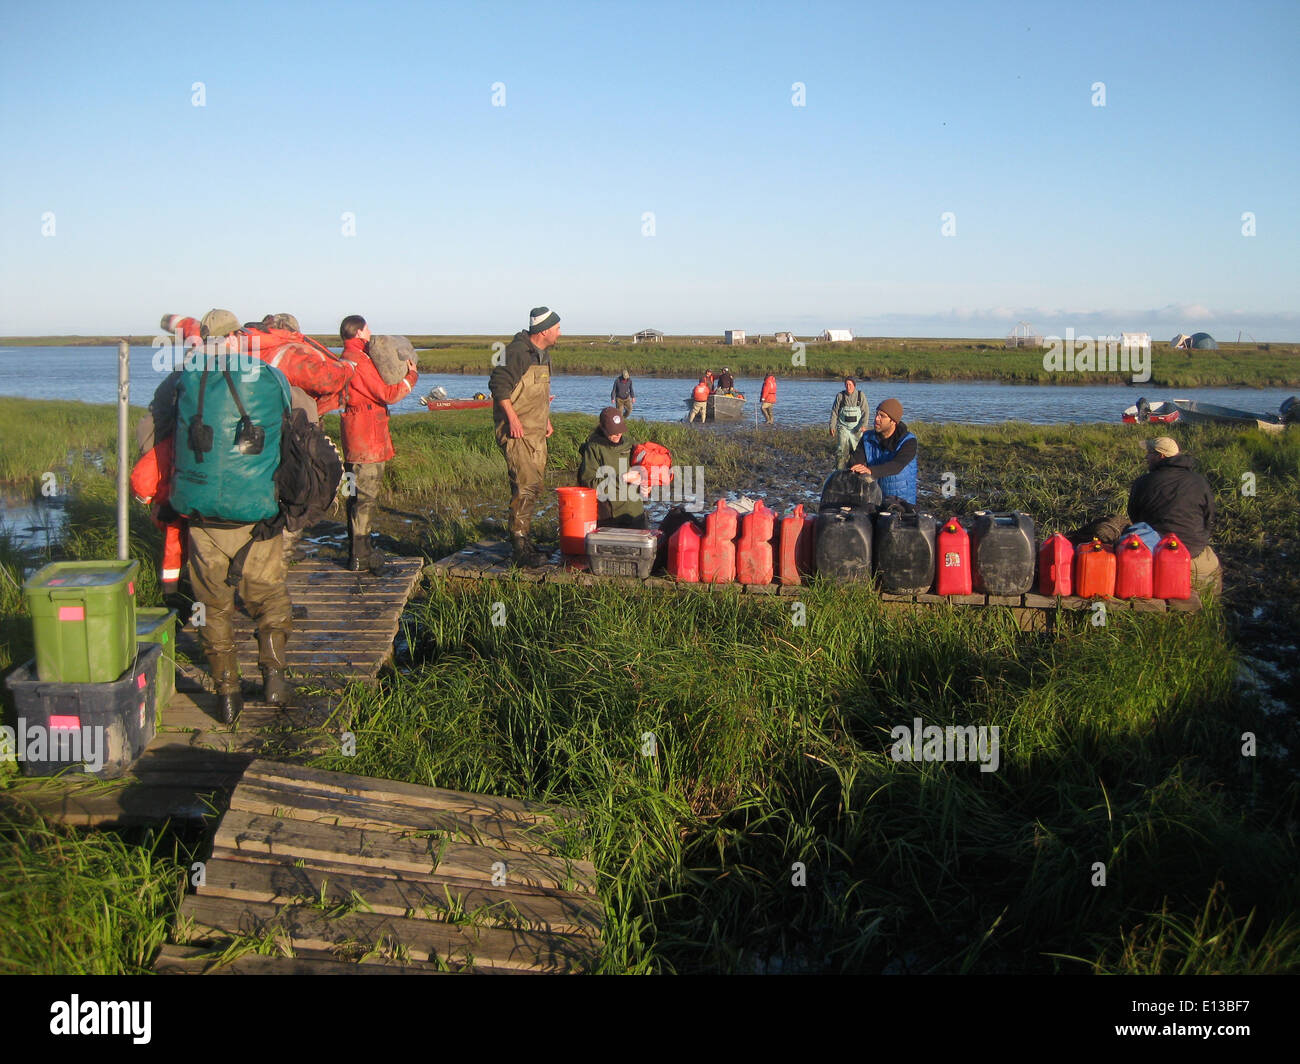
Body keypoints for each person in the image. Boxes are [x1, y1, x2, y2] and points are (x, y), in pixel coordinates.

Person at [164, 308, 294, 723]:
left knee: (212, 605)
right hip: (257, 514)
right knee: (269, 597)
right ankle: (273, 678)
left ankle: (226, 696)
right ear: (238, 336)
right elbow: (288, 423)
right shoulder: (269, 376)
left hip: (202, 518)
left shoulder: (184, 378)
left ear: (205, 339)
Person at [339, 314, 419, 574]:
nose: (370, 332)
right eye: (368, 329)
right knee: (366, 496)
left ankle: (357, 549)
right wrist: (411, 377)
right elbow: (388, 394)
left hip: (353, 434)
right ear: (360, 332)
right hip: (368, 437)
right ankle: (361, 556)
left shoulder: (344, 358)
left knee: (354, 495)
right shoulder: (360, 361)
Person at [489, 306, 560, 567]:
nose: (559, 333)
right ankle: (519, 550)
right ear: (544, 331)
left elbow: (539, 393)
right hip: (517, 430)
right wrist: (513, 419)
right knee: (524, 485)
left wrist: (546, 418)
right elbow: (498, 386)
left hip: (536, 429)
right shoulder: (516, 352)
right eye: (557, 328)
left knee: (535, 485)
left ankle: (525, 539)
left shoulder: (544, 355)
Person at [1127, 436, 1220, 593]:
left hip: (1156, 552)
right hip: (1194, 552)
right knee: (1214, 575)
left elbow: (1135, 517)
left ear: (1160, 456)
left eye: (1149, 453)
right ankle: (1208, 606)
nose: (1146, 457)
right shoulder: (1199, 481)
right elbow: (1209, 517)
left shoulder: (1144, 482)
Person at [577, 407, 648, 529]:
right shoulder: (593, 448)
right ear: (602, 427)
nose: (617, 434)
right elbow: (589, 483)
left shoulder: (631, 444)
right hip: (609, 516)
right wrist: (622, 478)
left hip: (635, 514)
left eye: (620, 430)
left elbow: (644, 472)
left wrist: (646, 485)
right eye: (612, 431)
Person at [849, 398, 917, 504]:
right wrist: (855, 468)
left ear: (893, 421)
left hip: (901, 501)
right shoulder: (867, 437)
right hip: (874, 498)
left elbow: (897, 465)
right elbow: (856, 460)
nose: (876, 419)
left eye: (882, 416)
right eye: (876, 414)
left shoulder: (908, 441)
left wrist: (870, 471)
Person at [828, 377, 868, 470]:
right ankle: (839, 471)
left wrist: (864, 425)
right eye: (846, 384)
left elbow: (865, 411)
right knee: (841, 451)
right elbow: (834, 412)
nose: (848, 386)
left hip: (856, 428)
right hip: (843, 427)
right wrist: (832, 426)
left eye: (850, 384)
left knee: (858, 451)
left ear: (854, 385)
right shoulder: (840, 396)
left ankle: (857, 470)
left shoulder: (860, 395)